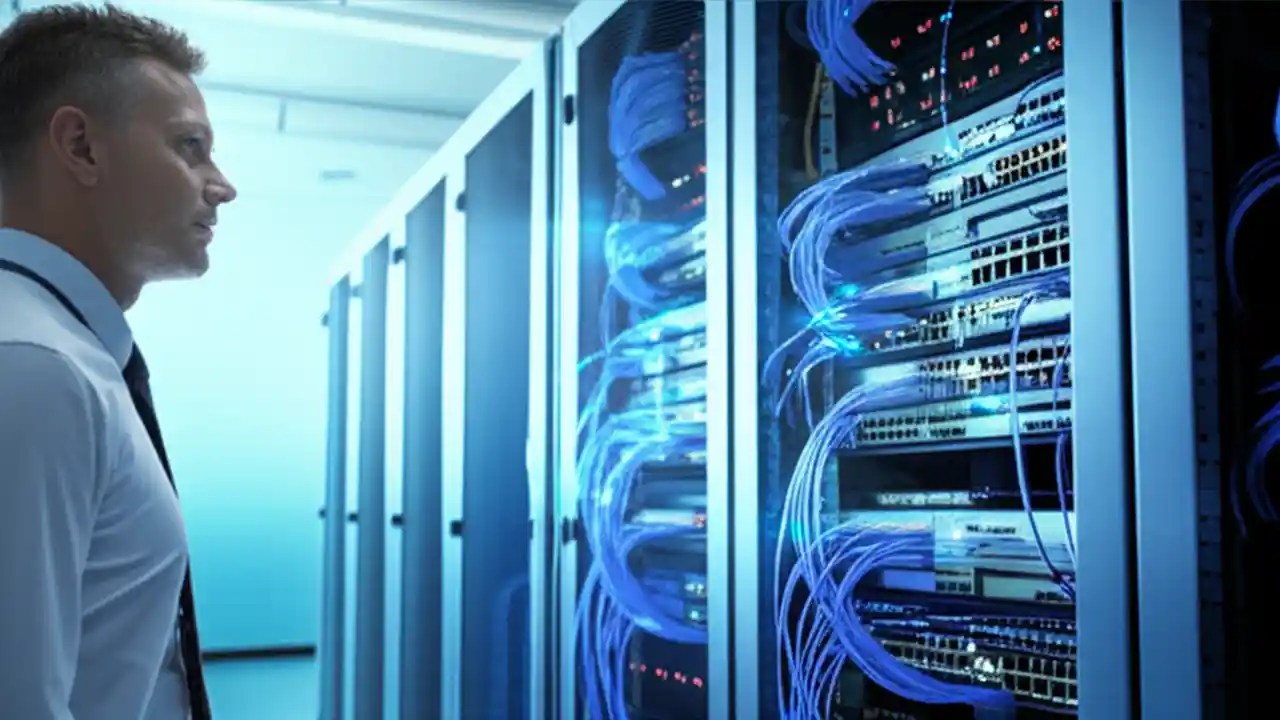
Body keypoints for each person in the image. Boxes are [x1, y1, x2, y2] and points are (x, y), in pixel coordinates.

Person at [0, 4, 237, 719]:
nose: (221, 185)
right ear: (81, 147)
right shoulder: (36, 367)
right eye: (190, 146)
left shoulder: (62, 352)